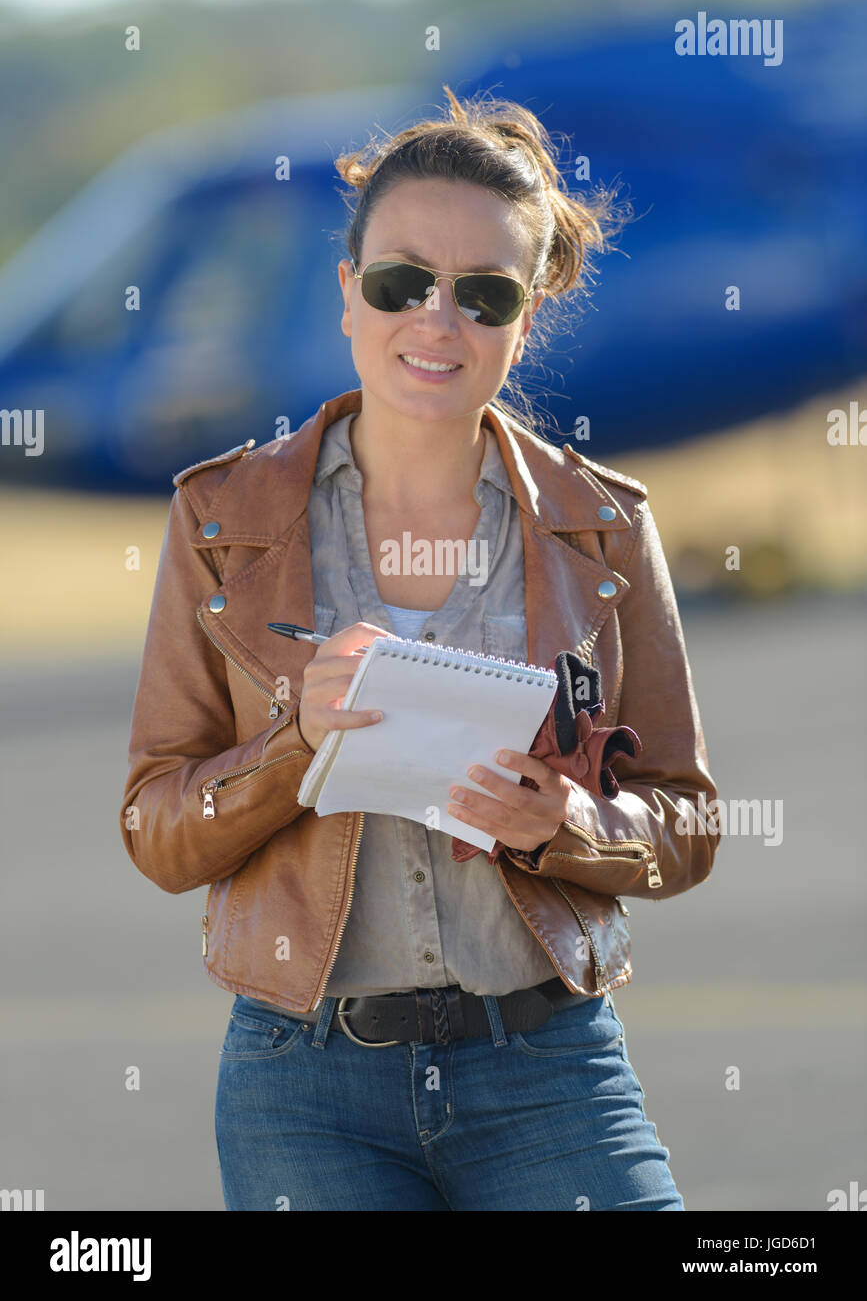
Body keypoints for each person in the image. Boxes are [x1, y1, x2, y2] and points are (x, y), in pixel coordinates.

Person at [120, 85, 720, 1211]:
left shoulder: (605, 524)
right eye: (404, 283)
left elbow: (686, 819)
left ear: (523, 322)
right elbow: (156, 827)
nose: (438, 322)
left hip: (552, 1069)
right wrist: (297, 749)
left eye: (485, 296)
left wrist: (570, 823)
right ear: (350, 295)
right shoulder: (217, 519)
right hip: (304, 1086)